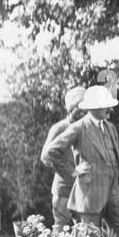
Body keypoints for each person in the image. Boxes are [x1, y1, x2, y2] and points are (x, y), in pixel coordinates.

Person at [41, 84, 119, 237]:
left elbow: (110, 156)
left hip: (112, 191)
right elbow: (50, 153)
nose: (110, 110)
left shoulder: (110, 128)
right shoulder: (76, 127)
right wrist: (74, 172)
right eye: (105, 106)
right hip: (86, 192)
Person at [42, 86, 86, 229]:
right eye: (78, 106)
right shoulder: (59, 128)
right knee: (60, 227)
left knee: (83, 228)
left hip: (84, 187)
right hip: (63, 187)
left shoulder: (88, 128)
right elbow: (45, 157)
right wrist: (68, 170)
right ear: (70, 108)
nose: (83, 111)